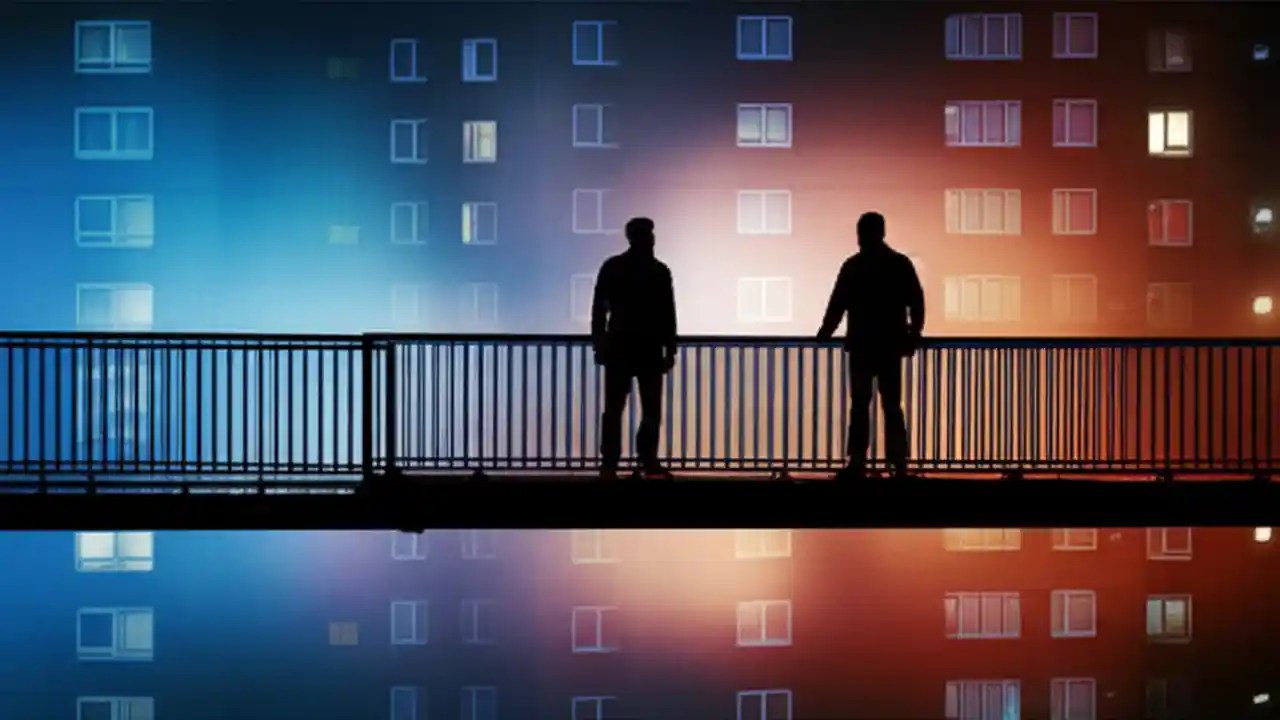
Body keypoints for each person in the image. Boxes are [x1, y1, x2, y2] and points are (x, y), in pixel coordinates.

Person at [817, 212, 925, 480]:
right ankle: (898, 463)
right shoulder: (899, 264)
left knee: (860, 404)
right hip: (889, 346)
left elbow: (837, 304)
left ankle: (857, 462)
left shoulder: (853, 267)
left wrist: (824, 334)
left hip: (862, 346)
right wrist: (913, 334)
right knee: (891, 405)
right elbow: (916, 301)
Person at [591, 217, 678, 480]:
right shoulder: (659, 272)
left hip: (620, 347)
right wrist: (669, 348)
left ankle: (611, 462)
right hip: (647, 348)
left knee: (615, 408)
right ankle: (647, 459)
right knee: (649, 408)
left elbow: (599, 311)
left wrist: (600, 344)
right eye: (647, 234)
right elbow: (668, 314)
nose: (650, 239)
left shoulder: (614, 267)